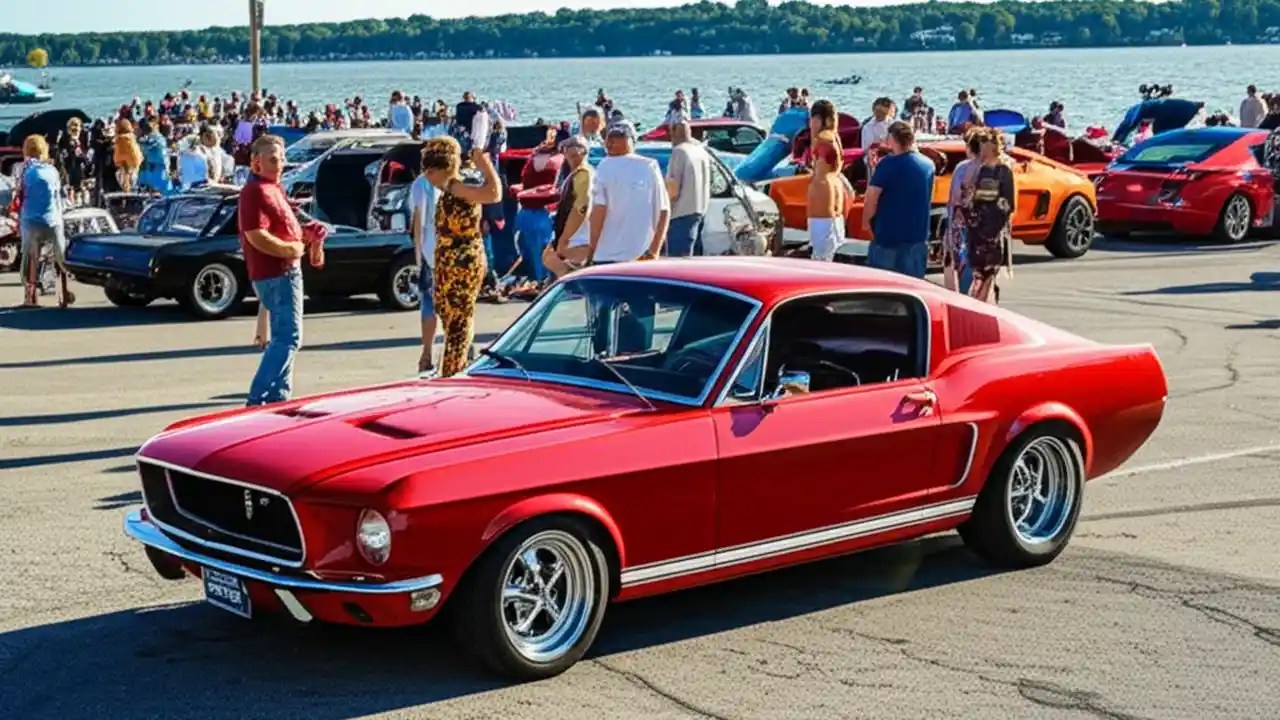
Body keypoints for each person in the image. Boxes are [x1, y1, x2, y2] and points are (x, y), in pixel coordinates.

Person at [420, 136, 503, 378]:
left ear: (443, 168)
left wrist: (484, 163)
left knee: (458, 320)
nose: (427, 176)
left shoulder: (459, 186)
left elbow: (494, 193)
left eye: (431, 171)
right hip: (448, 261)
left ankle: (452, 371)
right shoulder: (446, 190)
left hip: (463, 261)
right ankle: (456, 366)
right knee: (448, 315)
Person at [239, 135, 307, 406]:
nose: (280, 164)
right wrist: (290, 250)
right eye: (273, 159)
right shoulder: (254, 191)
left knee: (287, 337)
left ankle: (280, 399)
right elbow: (256, 235)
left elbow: (280, 226)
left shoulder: (273, 188)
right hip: (278, 272)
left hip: (283, 272)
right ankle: (258, 398)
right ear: (256, 163)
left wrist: (306, 235)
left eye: (281, 158)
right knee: (288, 338)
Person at [588, 121, 669, 265]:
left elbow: (599, 211)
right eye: (609, 137)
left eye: (618, 137)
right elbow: (664, 211)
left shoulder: (605, 166)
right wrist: (654, 251)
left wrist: (590, 251)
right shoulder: (649, 165)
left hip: (611, 255)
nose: (611, 142)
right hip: (635, 255)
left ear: (631, 140)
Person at [861, 121, 936, 278]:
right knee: (913, 285)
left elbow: (872, 196)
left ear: (892, 139)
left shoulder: (888, 165)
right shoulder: (928, 165)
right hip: (917, 235)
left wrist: (866, 224)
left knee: (883, 284)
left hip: (888, 235)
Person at [17, 135, 74, 309]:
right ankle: (64, 294)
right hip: (53, 219)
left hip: (31, 219)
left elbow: (19, 193)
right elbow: (58, 196)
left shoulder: (24, 170)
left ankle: (31, 296)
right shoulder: (53, 170)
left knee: (31, 256)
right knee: (59, 255)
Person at [965, 128, 1015, 304]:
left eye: (986, 144)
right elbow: (969, 198)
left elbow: (1008, 203)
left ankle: (984, 303)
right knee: (977, 271)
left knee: (988, 272)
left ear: (994, 146)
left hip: (992, 231)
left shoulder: (1003, 171)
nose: (983, 148)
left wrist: (994, 226)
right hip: (976, 229)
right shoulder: (979, 169)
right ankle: (978, 302)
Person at [542, 136, 593, 279]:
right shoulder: (577, 174)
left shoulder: (584, 174)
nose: (573, 160)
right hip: (575, 234)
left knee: (556, 264)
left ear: (584, 153)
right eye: (570, 156)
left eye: (576, 155)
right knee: (550, 259)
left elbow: (581, 208)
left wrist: (564, 238)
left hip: (578, 236)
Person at [410, 145, 440, 376]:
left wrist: (418, 256)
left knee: (428, 302)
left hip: (430, 248)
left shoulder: (420, 183)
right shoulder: (450, 180)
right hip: (447, 248)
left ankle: (427, 351)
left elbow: (418, 220)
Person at [805, 100, 846, 262]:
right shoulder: (835, 137)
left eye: (813, 119)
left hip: (823, 211)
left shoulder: (823, 139)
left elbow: (824, 147)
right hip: (834, 206)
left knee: (821, 259)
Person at [665, 120, 712, 257]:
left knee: (678, 261)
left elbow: (673, 188)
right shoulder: (700, 151)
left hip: (681, 213)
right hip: (700, 211)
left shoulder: (679, 152)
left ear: (673, 133)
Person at [943, 129, 982, 293]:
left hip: (960, 224)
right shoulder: (994, 169)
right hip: (981, 225)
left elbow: (953, 199)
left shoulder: (962, 168)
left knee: (958, 265)